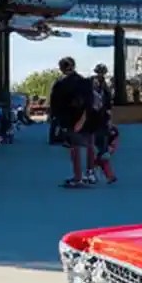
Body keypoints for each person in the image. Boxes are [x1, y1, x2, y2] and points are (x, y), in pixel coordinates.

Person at [49, 57, 96, 188]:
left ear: (61, 68)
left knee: (75, 148)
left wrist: (56, 120)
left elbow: (55, 105)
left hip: (70, 120)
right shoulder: (85, 82)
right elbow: (90, 103)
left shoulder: (60, 84)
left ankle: (78, 176)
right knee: (89, 146)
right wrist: (84, 118)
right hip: (86, 118)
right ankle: (90, 172)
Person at [85, 64, 113, 184]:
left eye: (102, 72)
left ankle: (94, 171)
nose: (101, 75)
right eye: (99, 72)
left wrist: (109, 117)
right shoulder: (91, 84)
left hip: (101, 118)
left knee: (100, 146)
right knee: (96, 145)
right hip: (94, 118)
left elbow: (108, 104)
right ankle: (99, 172)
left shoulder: (105, 87)